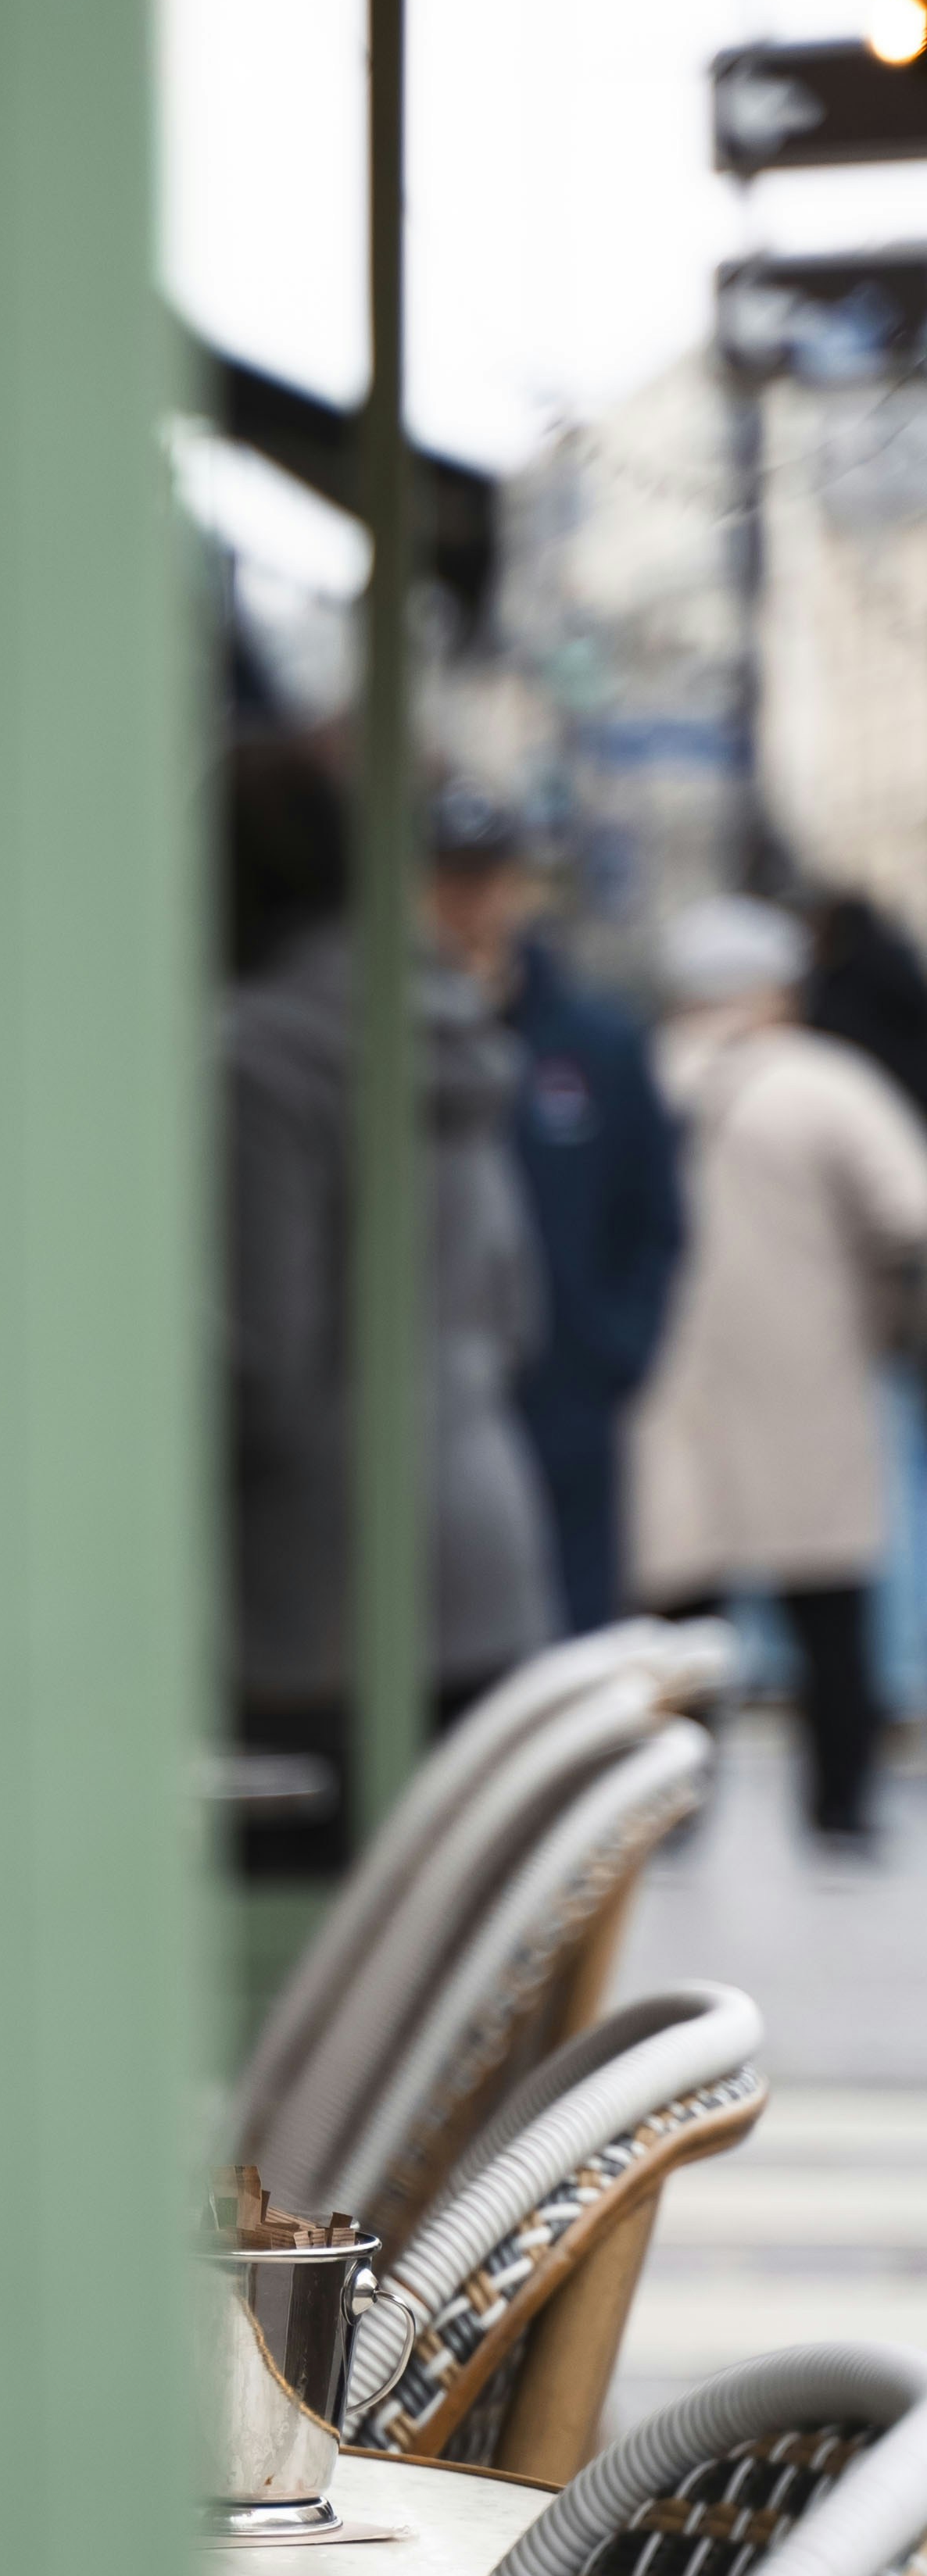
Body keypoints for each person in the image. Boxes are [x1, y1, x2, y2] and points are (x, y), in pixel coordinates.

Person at [221, 737, 559, 1864]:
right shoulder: (450, 1029)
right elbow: (519, 1313)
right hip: (483, 1560)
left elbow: (251, 1368)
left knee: (294, 1980)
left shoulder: (260, 1055)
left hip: (312, 1606)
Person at [632, 889, 927, 1852]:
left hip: (667, 1385)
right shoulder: (825, 1083)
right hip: (810, 1381)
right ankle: (838, 1808)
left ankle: (671, 1818)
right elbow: (910, 1214)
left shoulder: (641, 1075)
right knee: (828, 1612)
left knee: (680, 1619)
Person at [424, 788, 683, 1635]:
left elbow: (655, 1214)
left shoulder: (593, 1042)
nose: (469, 905)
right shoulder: (385, 1037)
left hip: (567, 1397)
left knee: (570, 1633)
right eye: (448, 881)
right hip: (434, 1398)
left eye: (486, 880)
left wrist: (614, 1350)